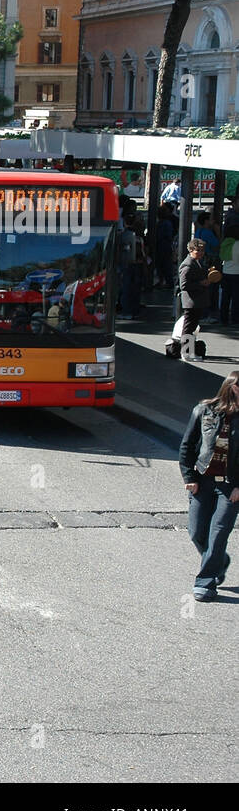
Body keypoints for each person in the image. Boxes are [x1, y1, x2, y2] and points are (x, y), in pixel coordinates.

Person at [179, 372, 239, 602]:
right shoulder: (204, 411)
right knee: (196, 532)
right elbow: (187, 446)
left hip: (231, 486)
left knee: (218, 533)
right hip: (202, 482)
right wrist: (189, 478)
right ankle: (219, 562)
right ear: (232, 388)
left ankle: (205, 582)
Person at [179, 238, 212, 353]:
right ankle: (185, 351)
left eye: (202, 250)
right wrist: (201, 283)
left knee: (192, 327)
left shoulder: (197, 262)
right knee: (188, 327)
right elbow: (184, 285)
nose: (201, 253)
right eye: (198, 250)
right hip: (191, 301)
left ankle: (189, 350)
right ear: (191, 250)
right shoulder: (188, 265)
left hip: (196, 301)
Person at [221, 220, 239, 326]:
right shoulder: (237, 244)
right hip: (236, 273)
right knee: (236, 298)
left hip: (226, 271)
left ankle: (224, 319)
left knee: (225, 297)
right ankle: (235, 319)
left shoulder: (226, 243)